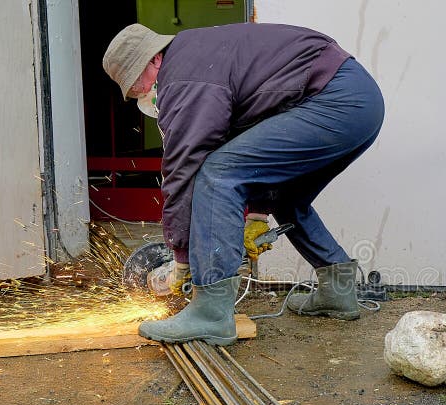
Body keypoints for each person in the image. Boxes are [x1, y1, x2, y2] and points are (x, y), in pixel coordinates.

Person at [103, 22, 384, 346]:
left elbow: (183, 169)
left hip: (336, 101)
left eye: (136, 83)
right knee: (287, 196)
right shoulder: (198, 58)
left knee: (216, 172)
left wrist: (181, 257)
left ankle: (211, 313)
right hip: (359, 102)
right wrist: (258, 213)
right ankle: (338, 289)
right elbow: (260, 143)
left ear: (154, 59)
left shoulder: (184, 77)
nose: (140, 93)